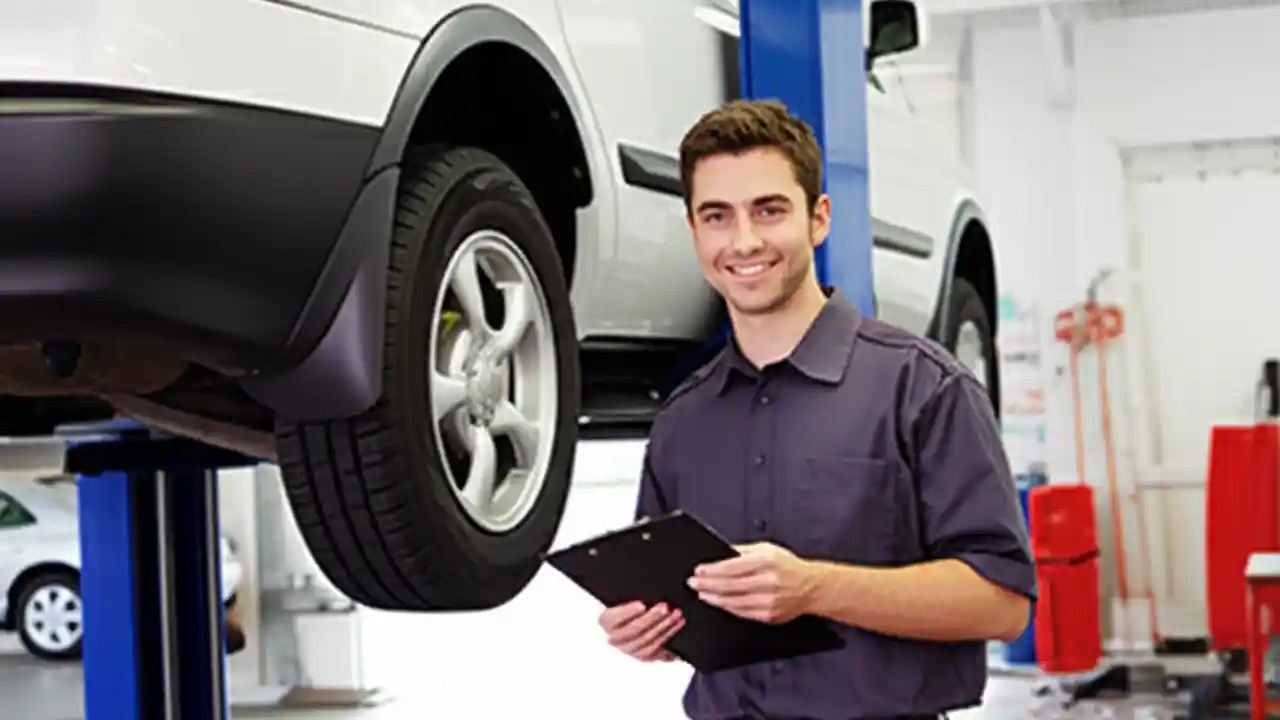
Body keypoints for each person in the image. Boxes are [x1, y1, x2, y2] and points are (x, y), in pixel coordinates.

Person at [596, 99, 1038, 719]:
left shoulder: (924, 388)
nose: (743, 241)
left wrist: (817, 588)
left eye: (769, 211)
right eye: (717, 216)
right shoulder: (682, 421)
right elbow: (676, 599)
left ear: (818, 219)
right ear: (694, 232)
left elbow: (1001, 602)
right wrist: (653, 630)